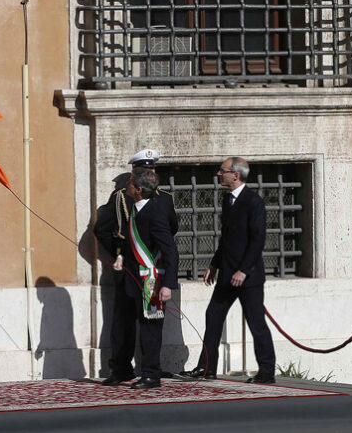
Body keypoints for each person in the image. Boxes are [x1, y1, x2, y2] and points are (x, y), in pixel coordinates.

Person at [179, 157, 276, 384]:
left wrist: (243, 270)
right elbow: (227, 239)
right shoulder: (227, 200)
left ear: (236, 174)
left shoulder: (253, 202)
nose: (218, 174)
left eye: (222, 171)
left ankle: (266, 372)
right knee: (213, 316)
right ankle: (206, 368)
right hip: (227, 274)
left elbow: (257, 240)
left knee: (256, 323)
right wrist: (214, 264)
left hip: (247, 277)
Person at [95, 149, 178, 386]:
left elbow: (169, 236)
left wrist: (165, 277)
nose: (148, 174)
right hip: (129, 272)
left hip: (152, 273)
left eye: (150, 171)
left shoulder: (163, 200)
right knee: (122, 323)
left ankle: (151, 372)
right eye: (142, 171)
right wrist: (118, 255)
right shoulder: (121, 198)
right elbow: (105, 230)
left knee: (151, 324)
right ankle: (121, 369)